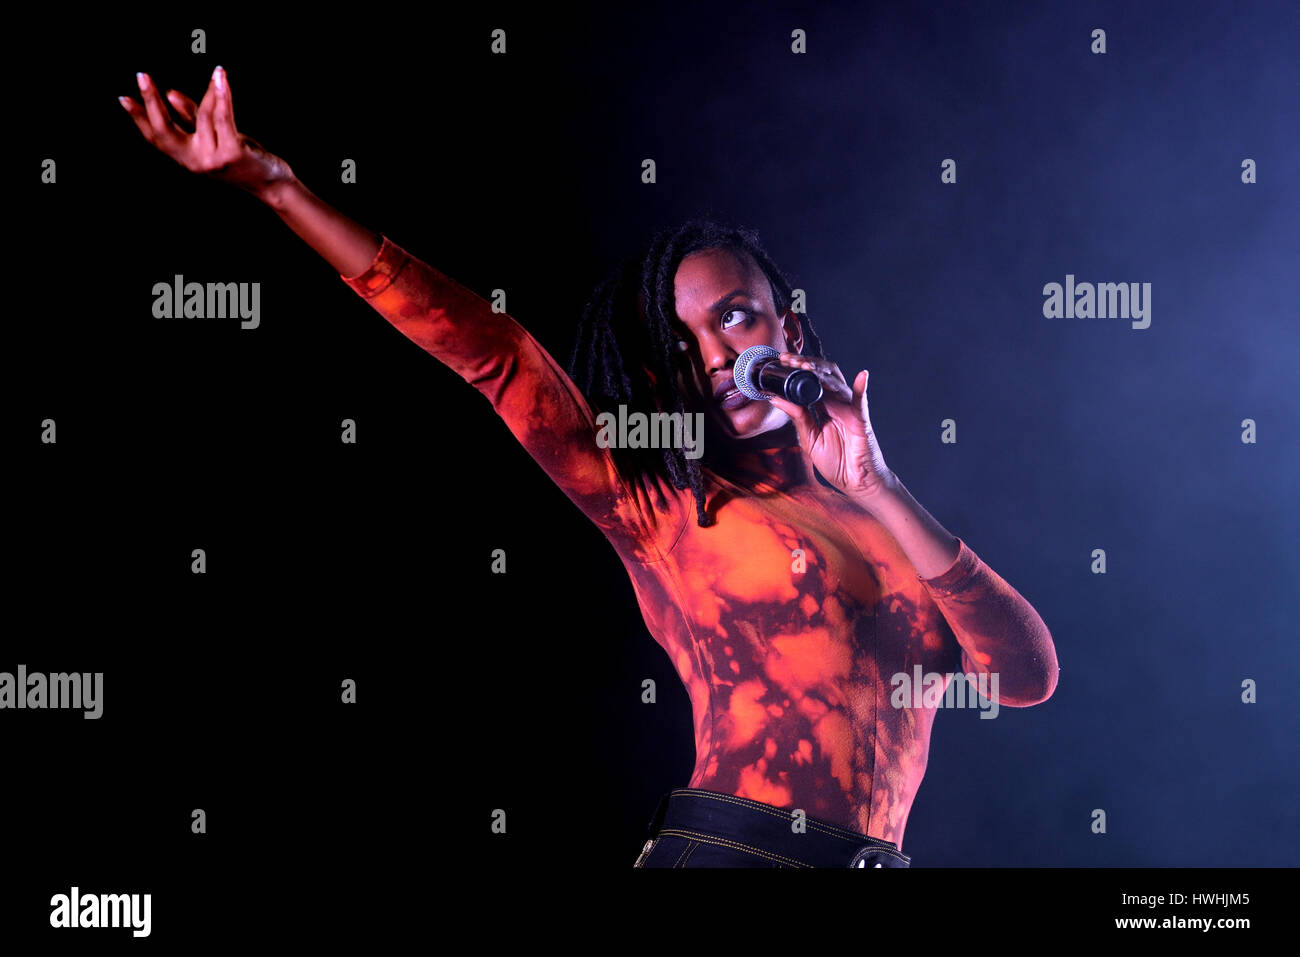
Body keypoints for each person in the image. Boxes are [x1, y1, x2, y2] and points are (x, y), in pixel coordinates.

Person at [119, 64, 1060, 868]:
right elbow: (498, 356)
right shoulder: (663, 501)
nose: (716, 355)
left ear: (789, 326)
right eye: (680, 341)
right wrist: (281, 189)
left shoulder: (877, 512)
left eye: (733, 314)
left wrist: (880, 487)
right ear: (659, 376)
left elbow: (1024, 676)